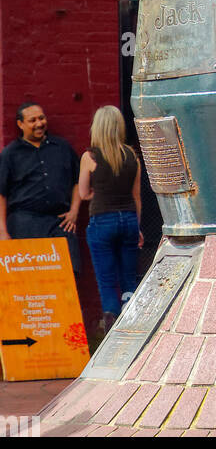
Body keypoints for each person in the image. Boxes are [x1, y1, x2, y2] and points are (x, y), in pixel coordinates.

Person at [78, 106, 143, 332]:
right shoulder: (132, 156)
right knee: (128, 277)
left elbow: (83, 193)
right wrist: (138, 227)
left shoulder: (90, 156)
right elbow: (136, 197)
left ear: (97, 127)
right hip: (128, 221)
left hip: (102, 222)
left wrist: (100, 192)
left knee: (107, 280)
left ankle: (111, 322)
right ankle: (131, 315)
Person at [0, 102, 81, 272]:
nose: (39, 123)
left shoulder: (62, 147)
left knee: (66, 274)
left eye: (41, 118)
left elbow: (78, 180)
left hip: (60, 223)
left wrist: (74, 211)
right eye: (32, 120)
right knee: (31, 277)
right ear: (20, 124)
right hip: (24, 224)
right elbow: (1, 194)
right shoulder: (10, 154)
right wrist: (2, 231)